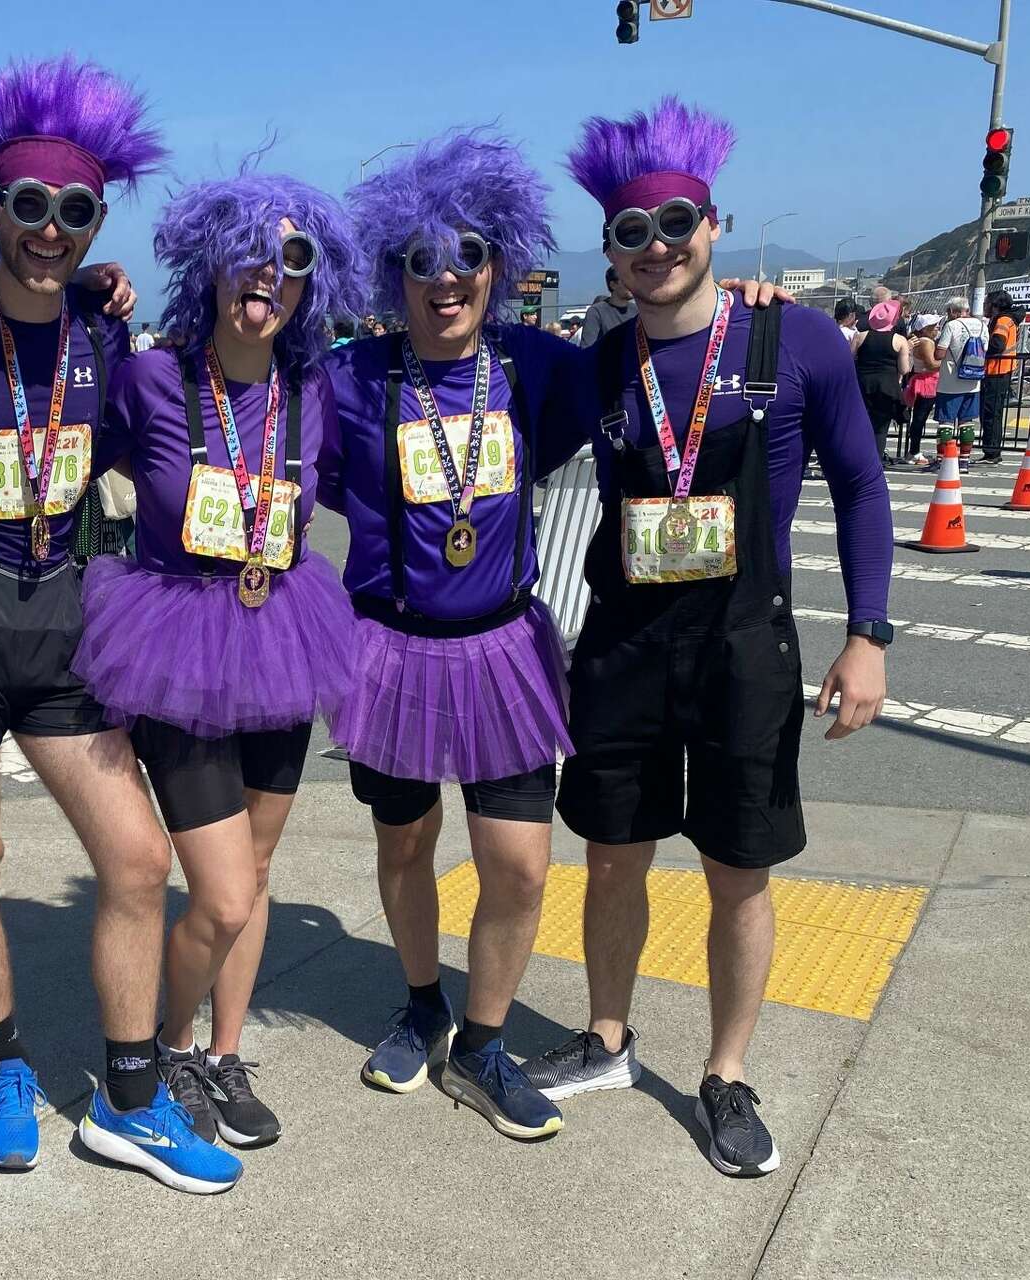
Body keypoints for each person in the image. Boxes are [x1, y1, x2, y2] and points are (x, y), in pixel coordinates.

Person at [0, 55, 241, 1196]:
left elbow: (164, 428)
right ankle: (7, 1064)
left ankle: (130, 1100)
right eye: (27, 205)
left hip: (66, 622)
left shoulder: (102, 328)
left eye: (72, 211)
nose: (48, 229)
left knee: (136, 859)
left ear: (92, 223)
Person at [530, 98, 892, 1179]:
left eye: (676, 223)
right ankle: (606, 1037)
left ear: (715, 223)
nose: (658, 248)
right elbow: (494, 424)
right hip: (625, 649)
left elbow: (866, 490)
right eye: (633, 233)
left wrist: (868, 634)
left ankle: (726, 1070)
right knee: (610, 857)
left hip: (746, 652)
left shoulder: (797, 340)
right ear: (610, 249)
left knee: (739, 872)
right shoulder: (598, 365)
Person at [73, 168, 367, 1151]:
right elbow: (63, 434)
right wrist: (89, 304)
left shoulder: (315, 390)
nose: (267, 275)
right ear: (212, 266)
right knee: (223, 890)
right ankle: (162, 1047)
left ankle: (222, 1049)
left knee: (262, 866)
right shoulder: (152, 378)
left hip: (283, 632)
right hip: (177, 643)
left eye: (290, 259)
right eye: (248, 252)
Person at [321, 130, 593, 1143]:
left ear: (501, 264)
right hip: (388, 648)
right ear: (393, 272)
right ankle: (422, 997)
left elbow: (655, 350)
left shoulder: (536, 366)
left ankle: (483, 1044)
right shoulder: (351, 376)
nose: (446, 278)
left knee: (519, 862)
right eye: (421, 258)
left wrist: (749, 318)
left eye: (468, 253)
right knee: (405, 840)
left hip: (506, 647)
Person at [854, 298, 911, 464]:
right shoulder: (900, 340)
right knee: (880, 429)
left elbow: (849, 359)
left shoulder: (860, 336)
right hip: (887, 387)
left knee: (860, 425)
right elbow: (904, 369)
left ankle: (857, 461)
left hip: (862, 386)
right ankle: (875, 464)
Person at [933, 297, 986, 471]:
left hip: (950, 381)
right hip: (973, 380)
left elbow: (939, 354)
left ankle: (944, 460)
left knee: (946, 422)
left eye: (949, 312)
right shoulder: (981, 325)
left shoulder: (951, 325)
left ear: (954, 311)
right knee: (967, 421)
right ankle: (964, 461)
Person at [979, 289, 1018, 465]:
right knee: (993, 413)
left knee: (991, 413)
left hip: (996, 371)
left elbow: (997, 344)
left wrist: (981, 345)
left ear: (995, 306)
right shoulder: (1008, 319)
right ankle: (992, 450)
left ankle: (991, 451)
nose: (985, 306)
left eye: (987, 303)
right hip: (1001, 370)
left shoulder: (1002, 320)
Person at [901, 313, 941, 464]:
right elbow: (931, 364)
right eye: (934, 326)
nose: (937, 328)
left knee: (919, 417)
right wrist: (948, 361)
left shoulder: (922, 340)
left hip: (922, 379)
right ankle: (914, 452)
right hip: (926, 380)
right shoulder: (926, 342)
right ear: (925, 329)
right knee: (920, 417)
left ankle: (914, 451)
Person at [579, 265, 636, 347]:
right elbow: (587, 348)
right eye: (626, 280)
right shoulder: (596, 312)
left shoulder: (637, 311)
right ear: (613, 285)